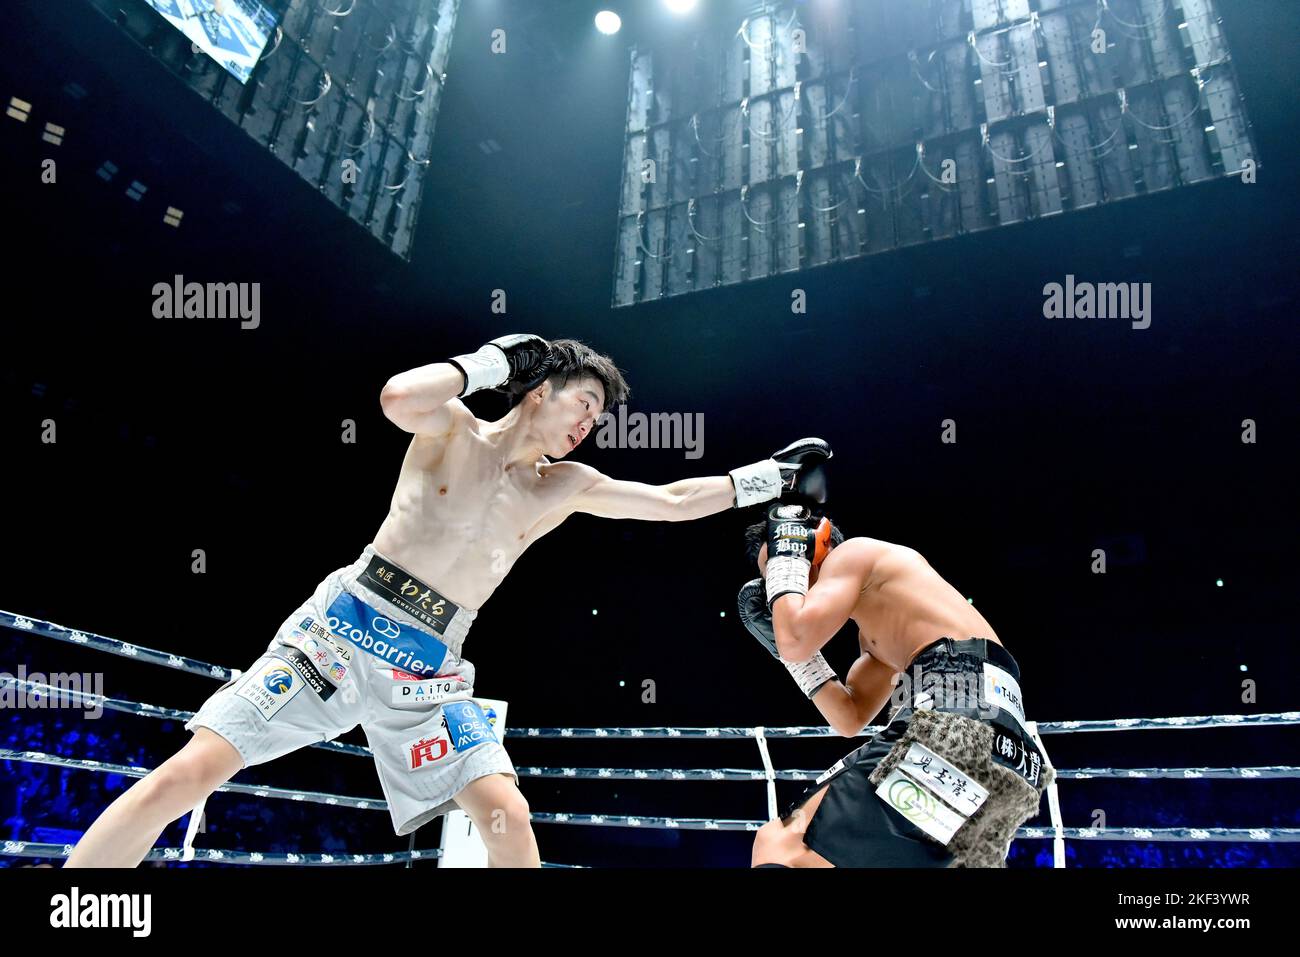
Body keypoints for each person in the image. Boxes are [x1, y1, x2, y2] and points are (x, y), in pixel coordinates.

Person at [66, 334, 830, 867]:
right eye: (585, 401)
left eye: (599, 416)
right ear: (540, 390)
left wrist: (768, 476)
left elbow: (669, 500)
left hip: (430, 670)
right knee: (186, 774)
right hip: (336, 632)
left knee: (508, 814)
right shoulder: (453, 432)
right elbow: (399, 395)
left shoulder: (564, 486)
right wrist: (494, 359)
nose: (590, 422)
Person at [738, 504, 1054, 867]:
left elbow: (795, 635)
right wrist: (798, 660)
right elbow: (849, 717)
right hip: (1009, 760)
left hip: (955, 717)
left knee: (783, 842)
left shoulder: (854, 553)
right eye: (771, 580)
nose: (777, 593)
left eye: (781, 571)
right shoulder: (878, 639)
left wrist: (790, 636)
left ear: (812, 549)